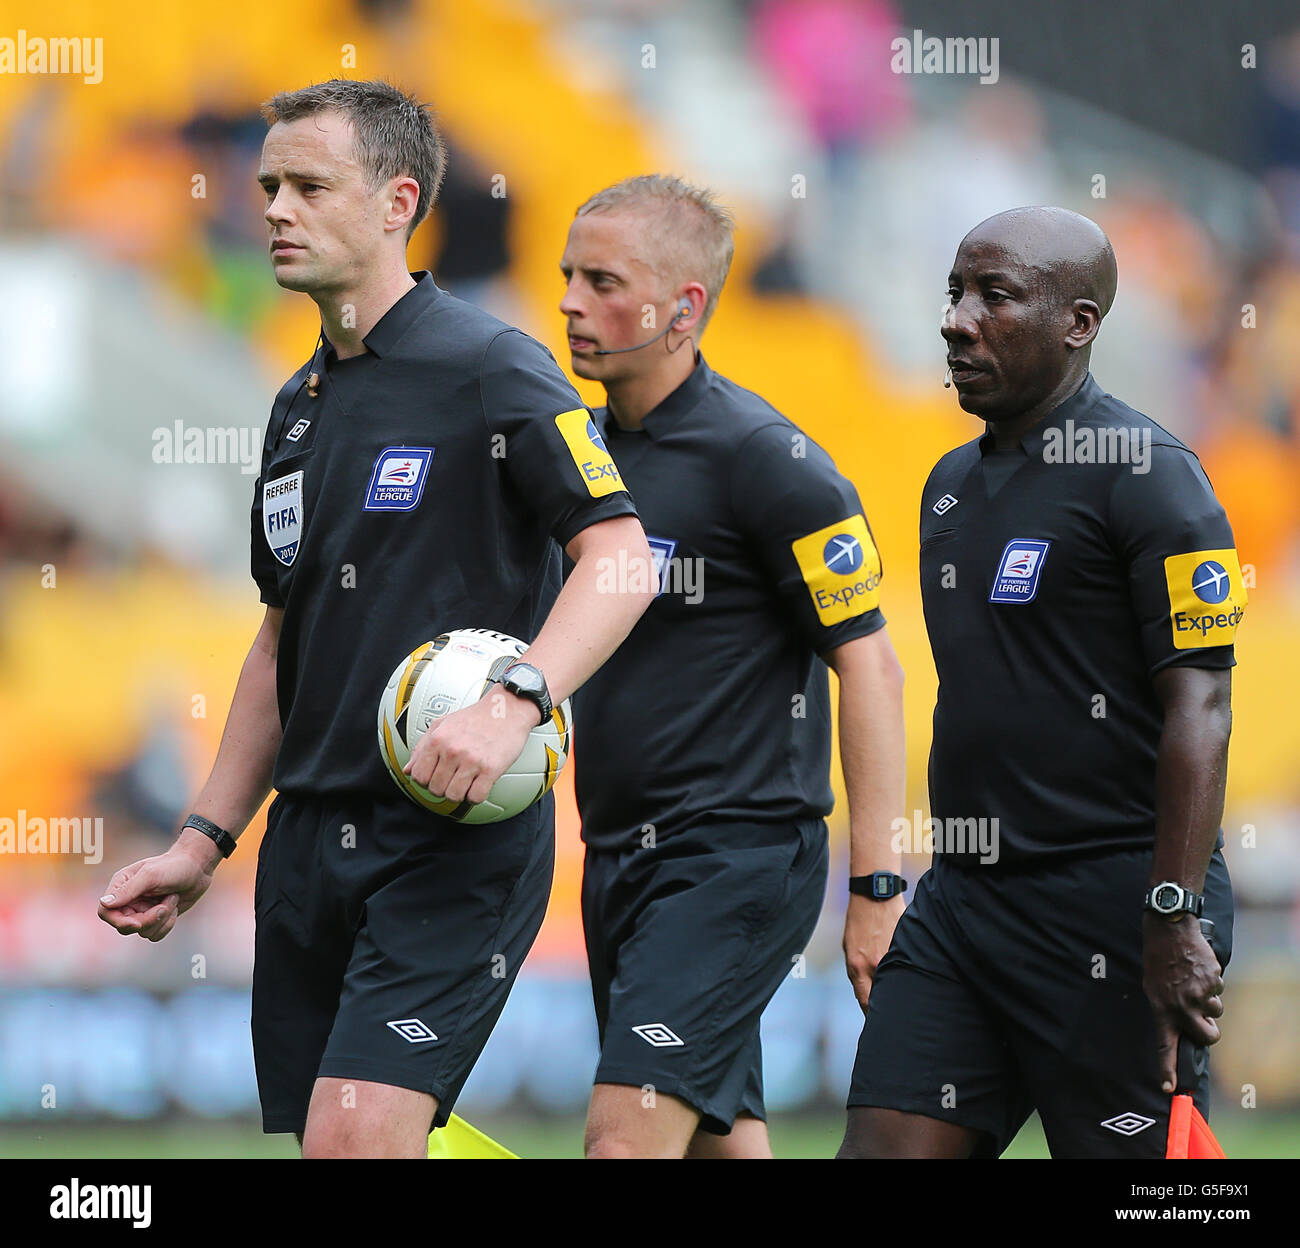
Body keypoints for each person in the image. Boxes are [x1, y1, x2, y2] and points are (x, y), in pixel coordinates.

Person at [97, 79, 655, 1159]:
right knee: (348, 1149)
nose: (273, 209)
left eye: (309, 186)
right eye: (268, 186)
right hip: (306, 842)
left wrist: (517, 703)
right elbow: (278, 642)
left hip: (446, 836)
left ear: (398, 202)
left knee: (355, 1142)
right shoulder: (294, 404)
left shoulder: (494, 369)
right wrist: (203, 840)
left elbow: (621, 559)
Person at [840, 206, 1246, 1159]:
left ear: (1080, 322)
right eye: (954, 290)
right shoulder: (947, 484)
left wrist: (1171, 914)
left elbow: (1205, 704)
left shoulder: (1149, 472)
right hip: (966, 906)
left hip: (1117, 902)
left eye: (996, 295)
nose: (957, 319)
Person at [559, 175, 907, 1159]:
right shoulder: (573, 456)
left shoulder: (765, 459)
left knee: (622, 1143)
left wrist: (875, 887)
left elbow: (871, 669)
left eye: (601, 281)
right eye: (566, 278)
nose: (570, 303)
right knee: (722, 1144)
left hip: (733, 858)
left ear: (683, 308)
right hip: (616, 856)